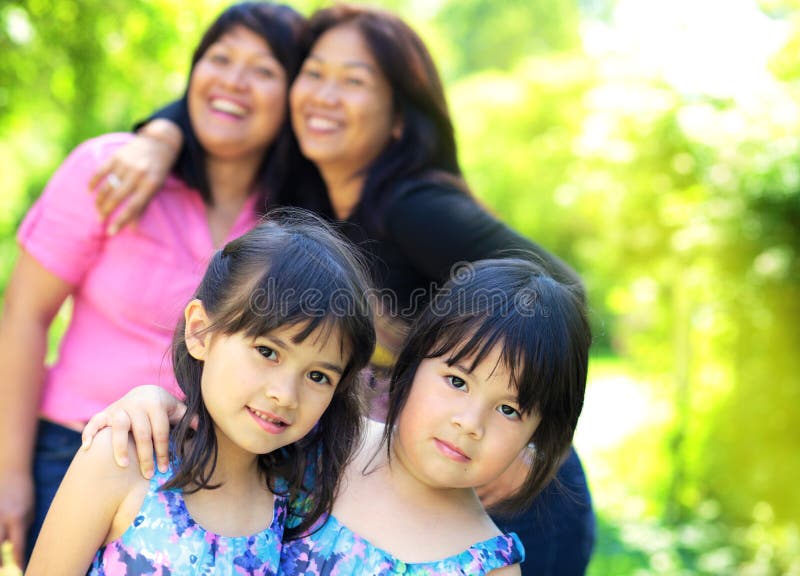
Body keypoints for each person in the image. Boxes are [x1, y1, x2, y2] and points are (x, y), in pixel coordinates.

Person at [88, 5, 595, 574]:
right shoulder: (307, 200)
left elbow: (559, 292)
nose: (323, 96)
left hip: (504, 490)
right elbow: (225, 102)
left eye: (353, 81)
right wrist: (161, 134)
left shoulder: (416, 207)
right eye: (313, 74)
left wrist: (524, 444)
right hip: (370, 473)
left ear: (399, 117)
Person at [0, 2, 308, 567]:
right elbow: (23, 314)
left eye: (264, 70)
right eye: (220, 59)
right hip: (74, 449)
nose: (234, 82)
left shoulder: (294, 227)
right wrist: (9, 472)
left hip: (221, 476)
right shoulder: (114, 168)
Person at [82, 257, 591, 575]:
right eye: (457, 381)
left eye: (509, 409)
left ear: (541, 434)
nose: (470, 422)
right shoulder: (315, 440)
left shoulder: (486, 566)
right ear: (412, 363)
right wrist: (153, 399)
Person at [26, 213, 377, 574]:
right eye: (267, 352)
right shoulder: (123, 458)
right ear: (200, 332)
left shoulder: (303, 498)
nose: (285, 395)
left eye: (318, 376)